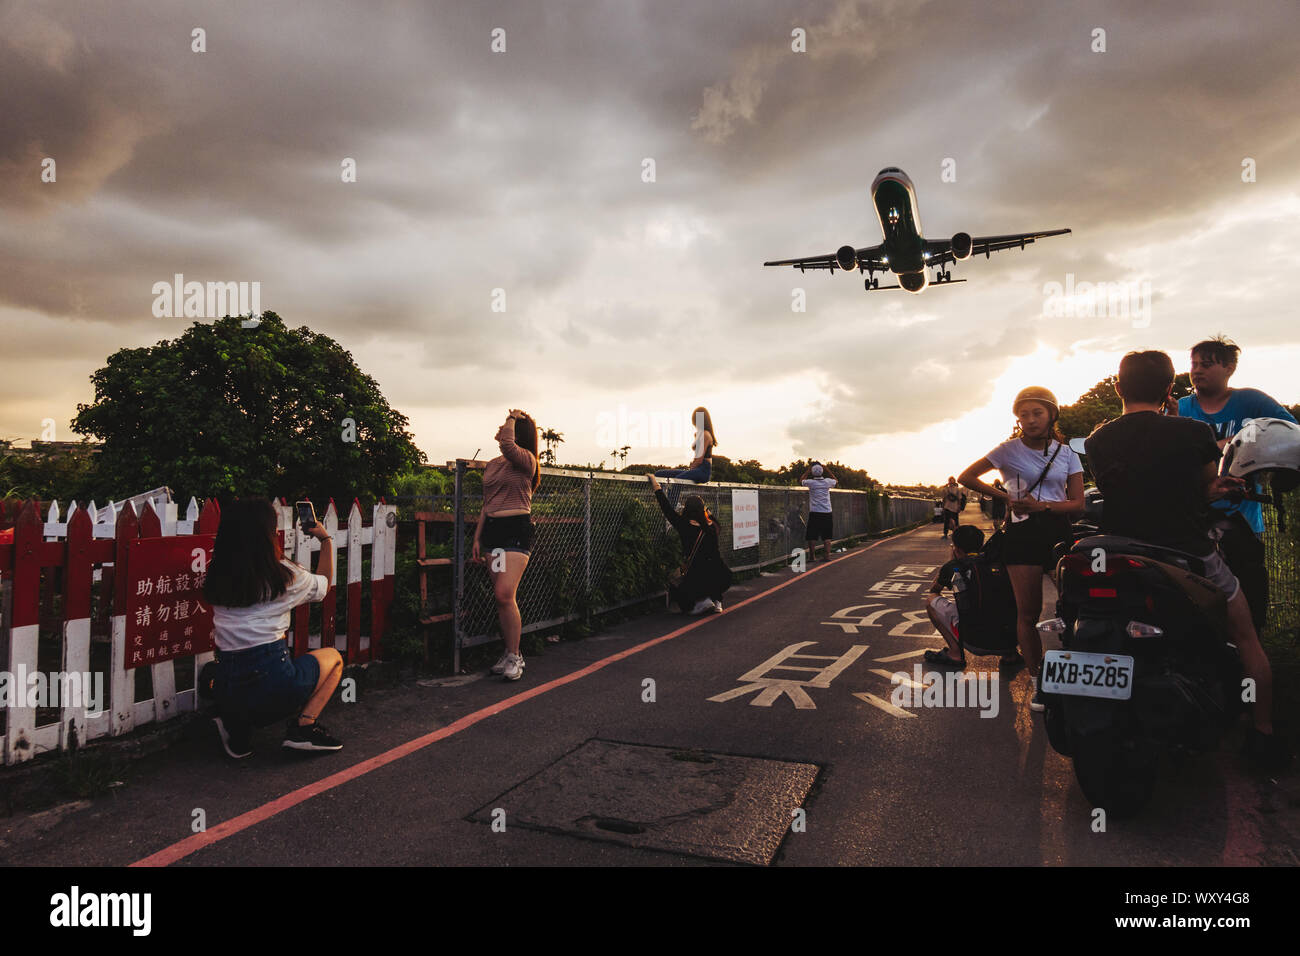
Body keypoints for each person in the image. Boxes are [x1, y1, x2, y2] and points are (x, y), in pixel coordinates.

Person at [1087, 350, 1289, 771]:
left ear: (1119, 388)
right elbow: (1204, 490)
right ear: (1168, 389)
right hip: (1186, 553)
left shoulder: (1096, 439)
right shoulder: (1194, 433)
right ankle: (1264, 734)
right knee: (1249, 639)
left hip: (1121, 549)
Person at [959, 386, 1085, 712]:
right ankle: (1039, 681)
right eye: (1023, 414)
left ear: (1052, 414)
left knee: (1076, 606)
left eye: (1037, 413)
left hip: (1058, 532)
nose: (1029, 420)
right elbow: (967, 477)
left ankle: (1079, 675)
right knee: (1027, 613)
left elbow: (1078, 505)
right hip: (1021, 534)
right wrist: (1005, 499)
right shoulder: (1007, 450)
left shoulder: (1067, 453)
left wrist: (1039, 505)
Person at [202, 498, 344, 758]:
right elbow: (323, 586)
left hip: (226, 685)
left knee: (215, 673)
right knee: (334, 659)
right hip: (274, 690)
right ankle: (304, 728)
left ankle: (238, 734)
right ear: (268, 533)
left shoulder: (217, 573)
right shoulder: (284, 576)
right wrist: (325, 540)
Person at [1178, 336, 1298, 631]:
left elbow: (1289, 431)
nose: (1196, 371)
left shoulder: (1251, 401)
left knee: (1247, 604)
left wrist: (1239, 445)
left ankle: (1245, 664)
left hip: (1242, 520)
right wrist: (1220, 446)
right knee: (1195, 603)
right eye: (1193, 364)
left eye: (1206, 364)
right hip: (1190, 519)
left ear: (1229, 367)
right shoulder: (1180, 408)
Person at [474, 409, 541, 682]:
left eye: (507, 425)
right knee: (503, 599)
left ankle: (516, 657)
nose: (502, 427)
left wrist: (513, 417)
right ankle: (509, 651)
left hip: (516, 531)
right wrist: (478, 537)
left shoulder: (526, 460)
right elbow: (487, 503)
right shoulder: (493, 464)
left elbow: (508, 444)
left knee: (504, 593)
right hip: (493, 532)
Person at [647, 473, 731, 614]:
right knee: (712, 570)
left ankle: (699, 603)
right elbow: (714, 521)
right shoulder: (711, 527)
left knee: (677, 586)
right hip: (721, 574)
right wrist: (708, 513)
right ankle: (716, 600)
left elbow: (666, 507)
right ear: (702, 510)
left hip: (697, 574)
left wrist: (655, 483)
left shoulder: (683, 524)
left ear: (686, 509)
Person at [922, 525, 987, 669]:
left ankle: (955, 653)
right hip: (1006, 640)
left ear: (957, 549)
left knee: (931, 600)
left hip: (975, 640)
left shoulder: (954, 567)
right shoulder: (997, 561)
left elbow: (934, 589)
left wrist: (952, 562)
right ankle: (1011, 655)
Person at [655, 407, 716, 505]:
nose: (695, 423)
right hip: (697, 469)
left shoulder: (705, 434)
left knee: (677, 480)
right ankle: (664, 498)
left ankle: (671, 506)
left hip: (703, 470)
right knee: (659, 474)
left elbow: (699, 460)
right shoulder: (700, 434)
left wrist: (690, 469)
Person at [800, 462, 838, 562]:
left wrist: (808, 471)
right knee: (827, 535)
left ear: (812, 472)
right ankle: (827, 556)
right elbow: (836, 480)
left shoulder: (811, 483)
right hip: (827, 511)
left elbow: (801, 480)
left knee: (812, 535)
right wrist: (828, 470)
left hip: (815, 512)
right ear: (822, 471)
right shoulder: (827, 482)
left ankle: (812, 557)